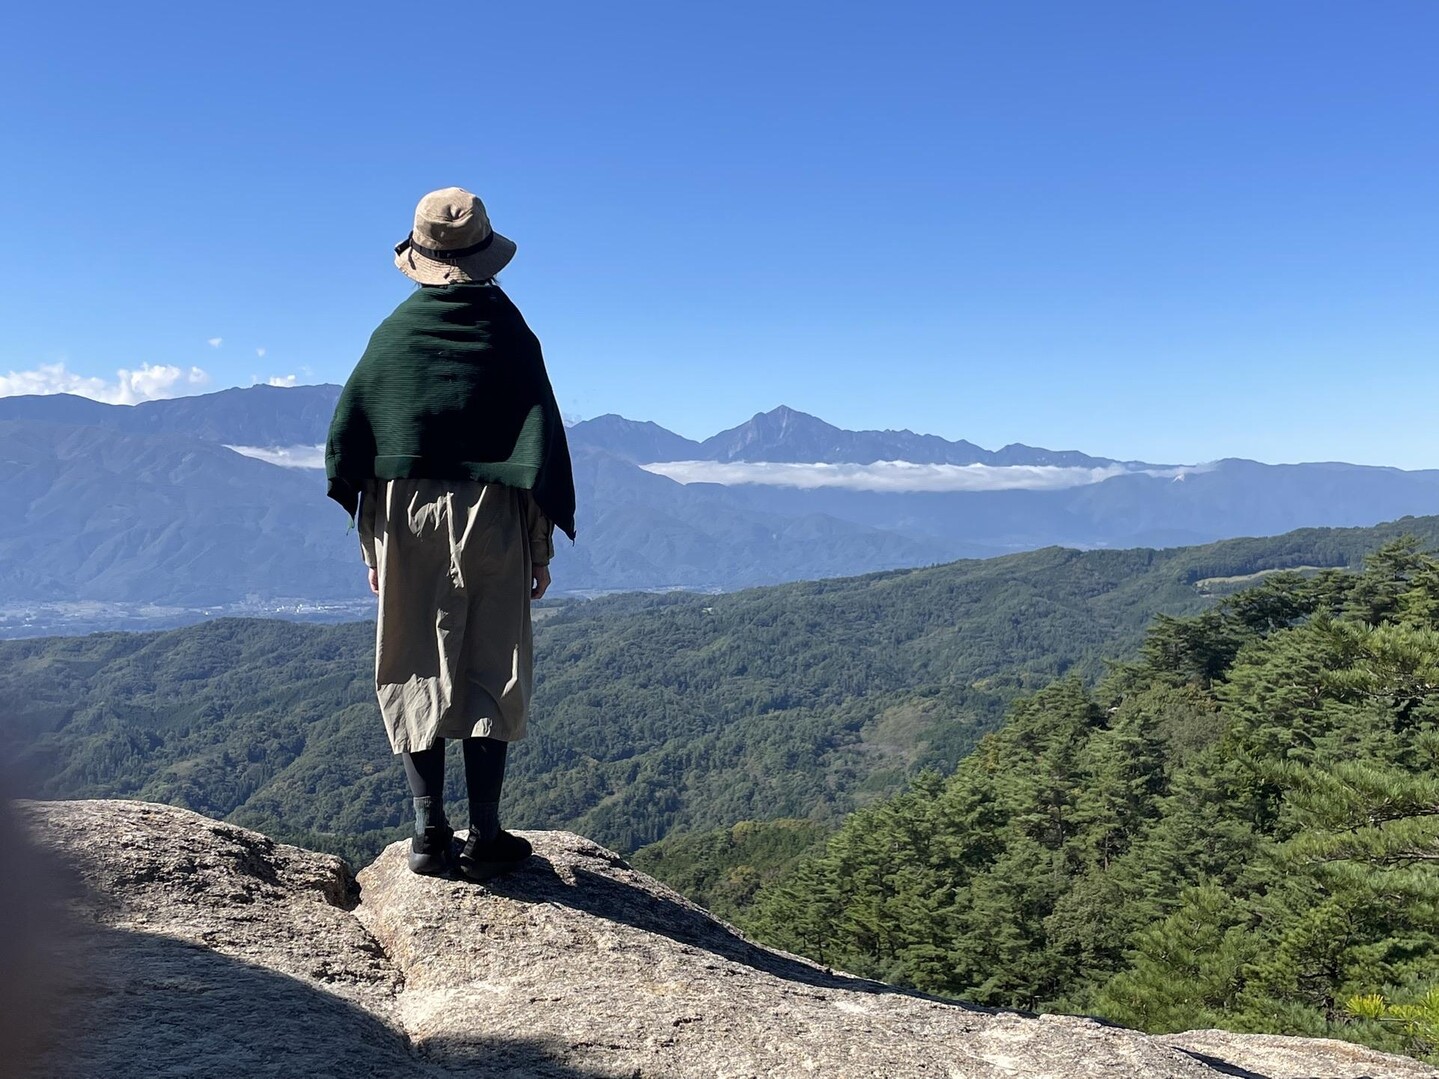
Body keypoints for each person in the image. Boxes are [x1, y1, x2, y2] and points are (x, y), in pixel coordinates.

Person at [324, 187, 576, 881]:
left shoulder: (394, 337)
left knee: (411, 658)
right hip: (494, 513)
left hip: (405, 511)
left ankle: (427, 830)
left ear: (421, 254)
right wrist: (540, 547)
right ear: (484, 253)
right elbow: (534, 446)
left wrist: (374, 546)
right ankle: (486, 832)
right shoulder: (508, 332)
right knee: (493, 657)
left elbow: (358, 445)